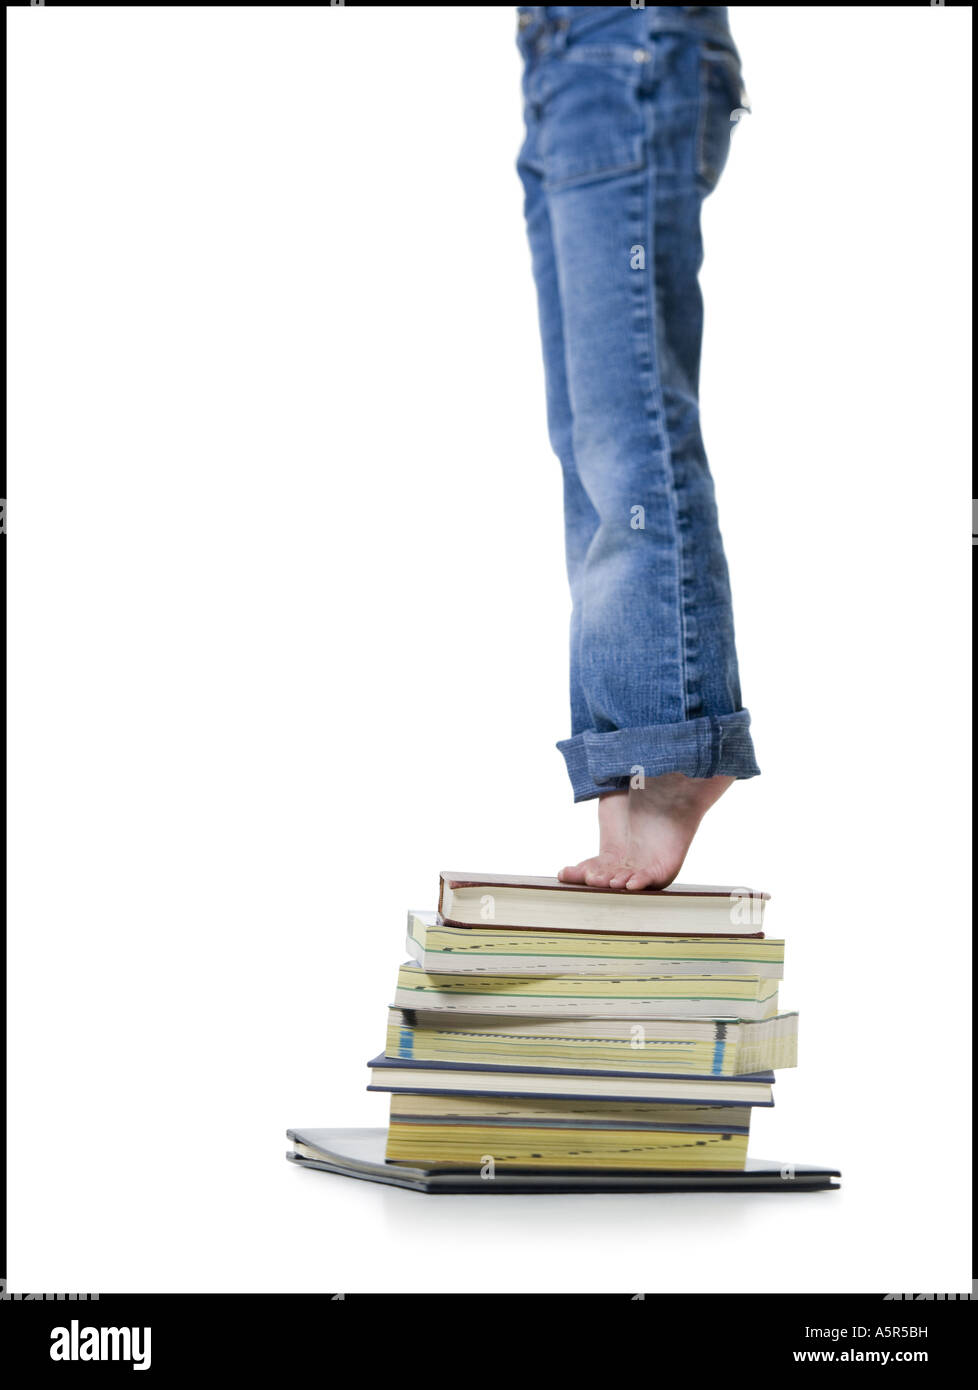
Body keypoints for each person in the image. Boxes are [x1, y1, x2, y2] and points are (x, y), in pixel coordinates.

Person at [516, 5, 759, 890]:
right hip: (566, 56)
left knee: (630, 431)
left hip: (624, 45)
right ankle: (632, 752)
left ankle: (675, 743)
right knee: (589, 445)